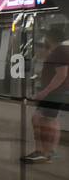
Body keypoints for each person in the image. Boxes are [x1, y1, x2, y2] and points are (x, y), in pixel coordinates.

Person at [22, 25, 69, 164]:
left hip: (54, 93)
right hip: (57, 92)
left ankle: (43, 152)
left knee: (39, 118)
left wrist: (45, 92)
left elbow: (61, 75)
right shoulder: (60, 50)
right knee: (49, 120)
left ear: (50, 37)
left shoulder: (60, 51)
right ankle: (48, 152)